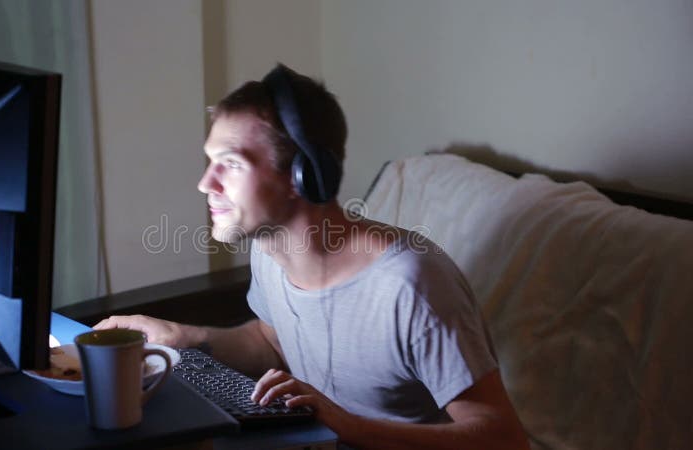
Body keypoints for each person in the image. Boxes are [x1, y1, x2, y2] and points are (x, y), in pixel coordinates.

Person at [95, 64, 529, 449]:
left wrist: (348, 427)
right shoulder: (270, 253)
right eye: (210, 162)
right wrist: (180, 336)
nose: (206, 183)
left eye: (231, 163)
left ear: (303, 176)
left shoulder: (411, 286)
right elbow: (271, 343)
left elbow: (503, 438)